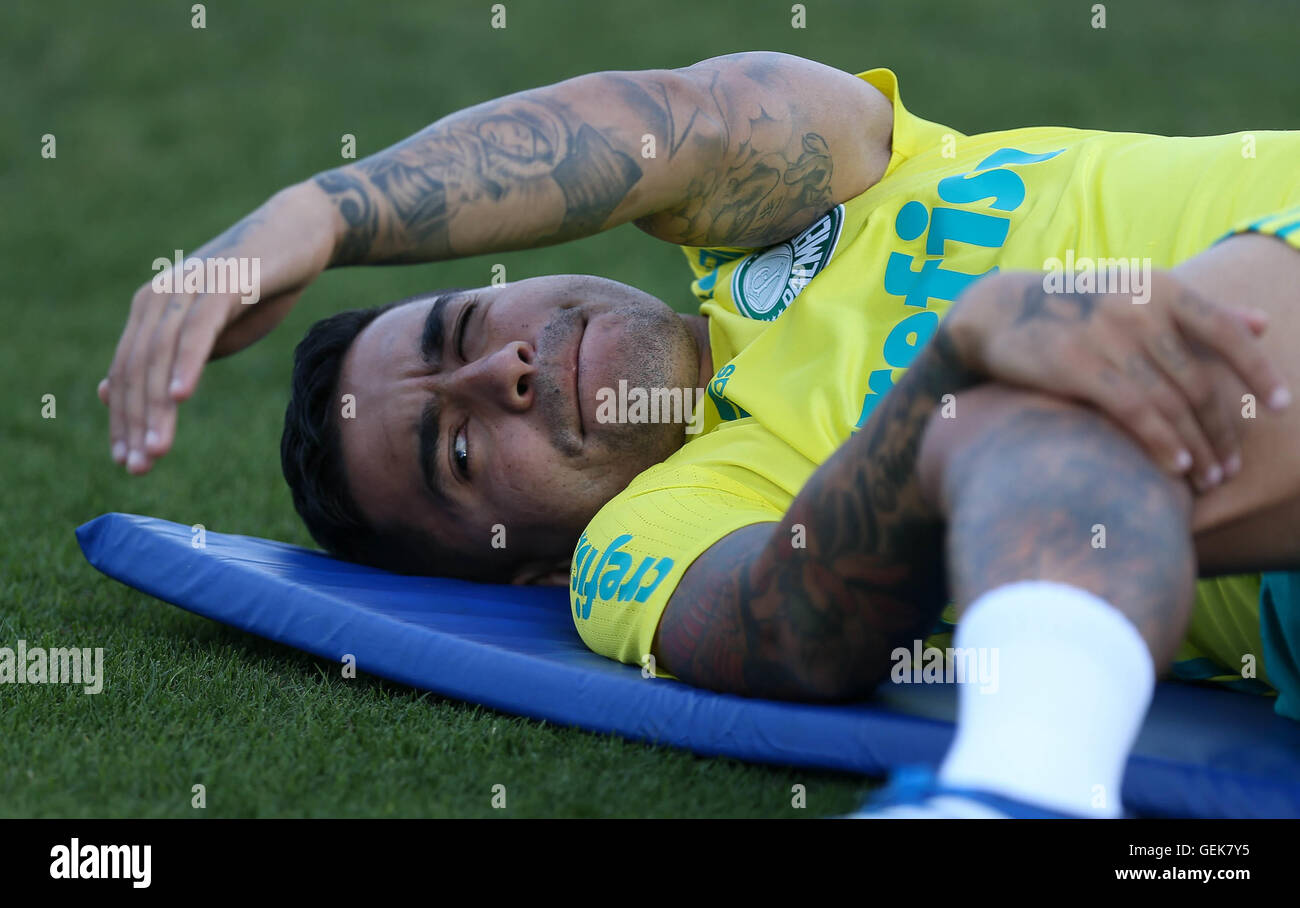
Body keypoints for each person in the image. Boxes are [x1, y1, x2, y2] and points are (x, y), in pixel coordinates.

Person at [100, 52, 1300, 816]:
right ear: (528, 566)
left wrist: (317, 214)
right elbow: (787, 632)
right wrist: (954, 365)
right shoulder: (653, 534)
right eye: (457, 452)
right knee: (1027, 410)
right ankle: (1019, 791)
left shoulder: (814, 195)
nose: (501, 369)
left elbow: (672, 118)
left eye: (467, 323)